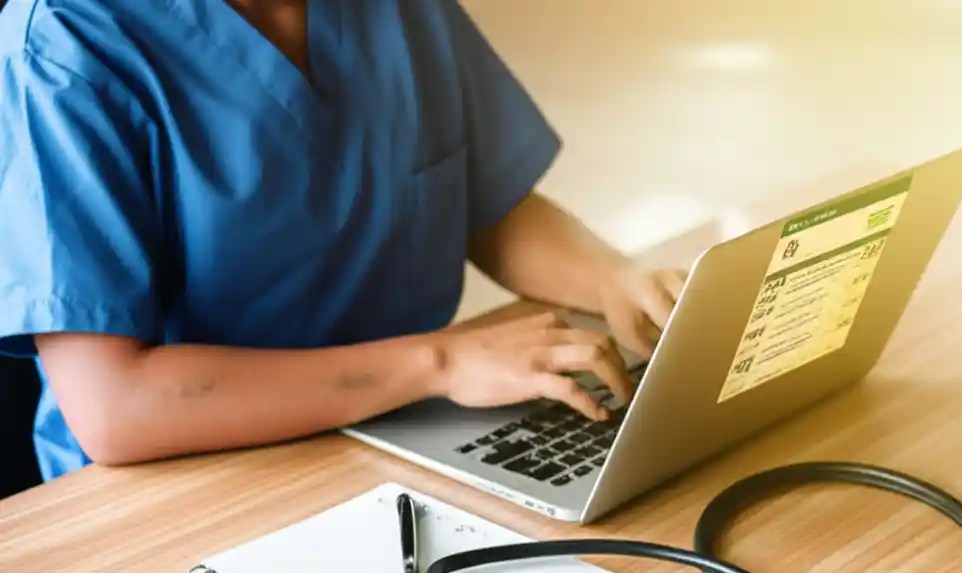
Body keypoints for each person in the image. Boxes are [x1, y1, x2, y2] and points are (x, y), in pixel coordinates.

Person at [0, 0, 686, 482]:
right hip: (177, 485)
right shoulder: (65, 41)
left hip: (401, 433)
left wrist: (614, 282)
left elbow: (485, 201)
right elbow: (113, 407)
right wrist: (438, 364)